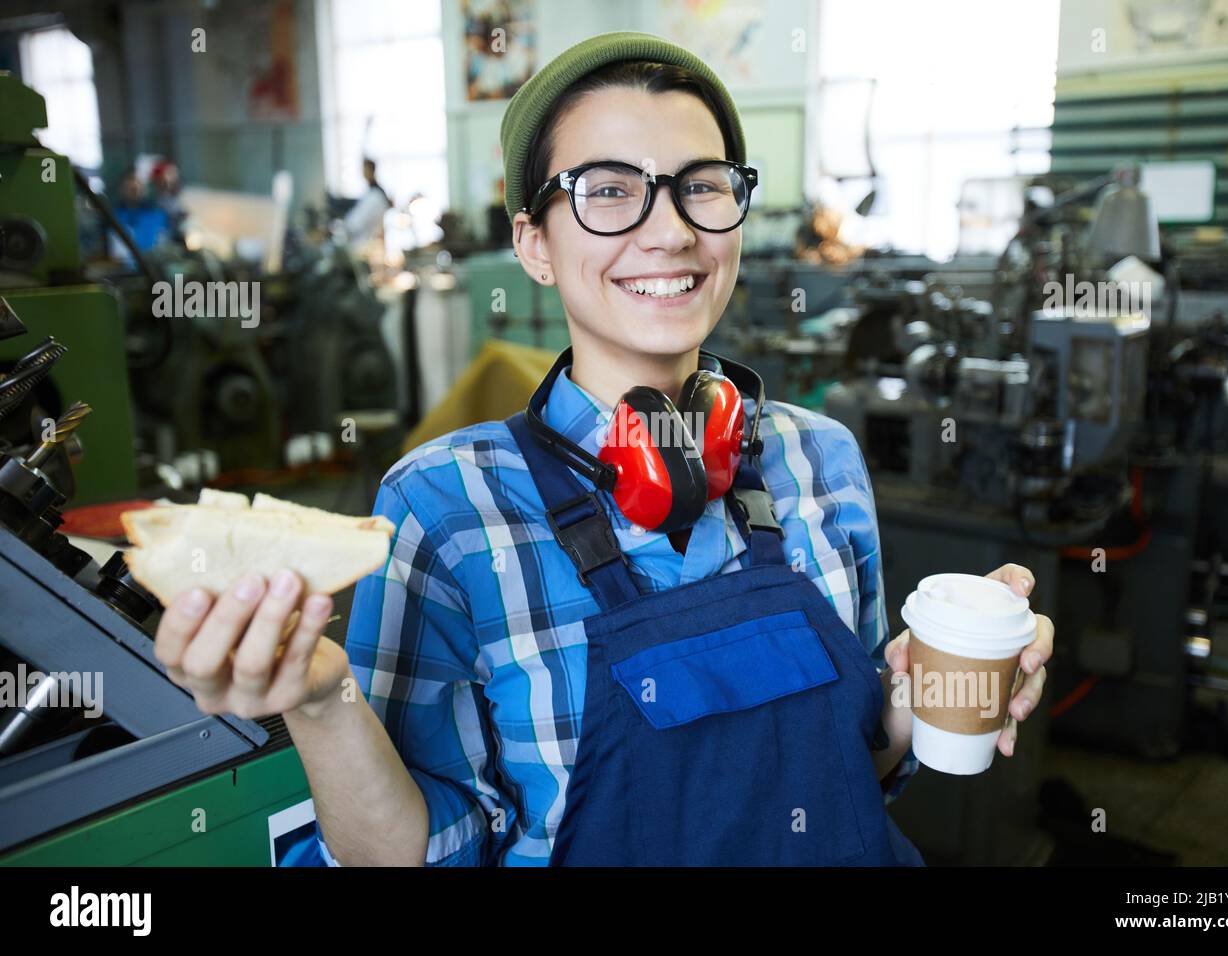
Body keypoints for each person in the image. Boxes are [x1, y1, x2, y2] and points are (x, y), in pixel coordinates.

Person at [152, 32, 1055, 867]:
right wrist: (319, 699)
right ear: (533, 244)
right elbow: (416, 852)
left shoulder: (821, 461)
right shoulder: (446, 505)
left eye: (702, 184)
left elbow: (866, 761)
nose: (670, 231)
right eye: (609, 190)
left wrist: (934, 682)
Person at [340, 157, 391, 251]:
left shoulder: (375, 196)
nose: (362, 172)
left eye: (364, 169)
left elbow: (356, 224)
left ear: (370, 170)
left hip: (366, 245)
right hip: (366, 244)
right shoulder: (370, 194)